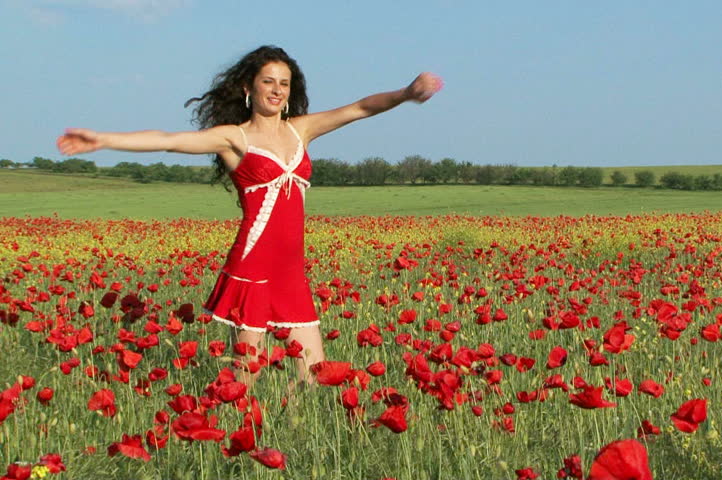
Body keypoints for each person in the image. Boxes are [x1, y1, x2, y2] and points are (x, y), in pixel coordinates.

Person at [57, 45, 442, 389]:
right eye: (268, 81)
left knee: (314, 373)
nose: (277, 90)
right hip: (252, 266)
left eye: (285, 83)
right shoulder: (234, 138)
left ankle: (288, 439)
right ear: (249, 88)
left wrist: (406, 94)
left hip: (291, 271)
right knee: (247, 376)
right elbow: (167, 139)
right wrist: (104, 139)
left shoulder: (301, 130)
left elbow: (359, 108)